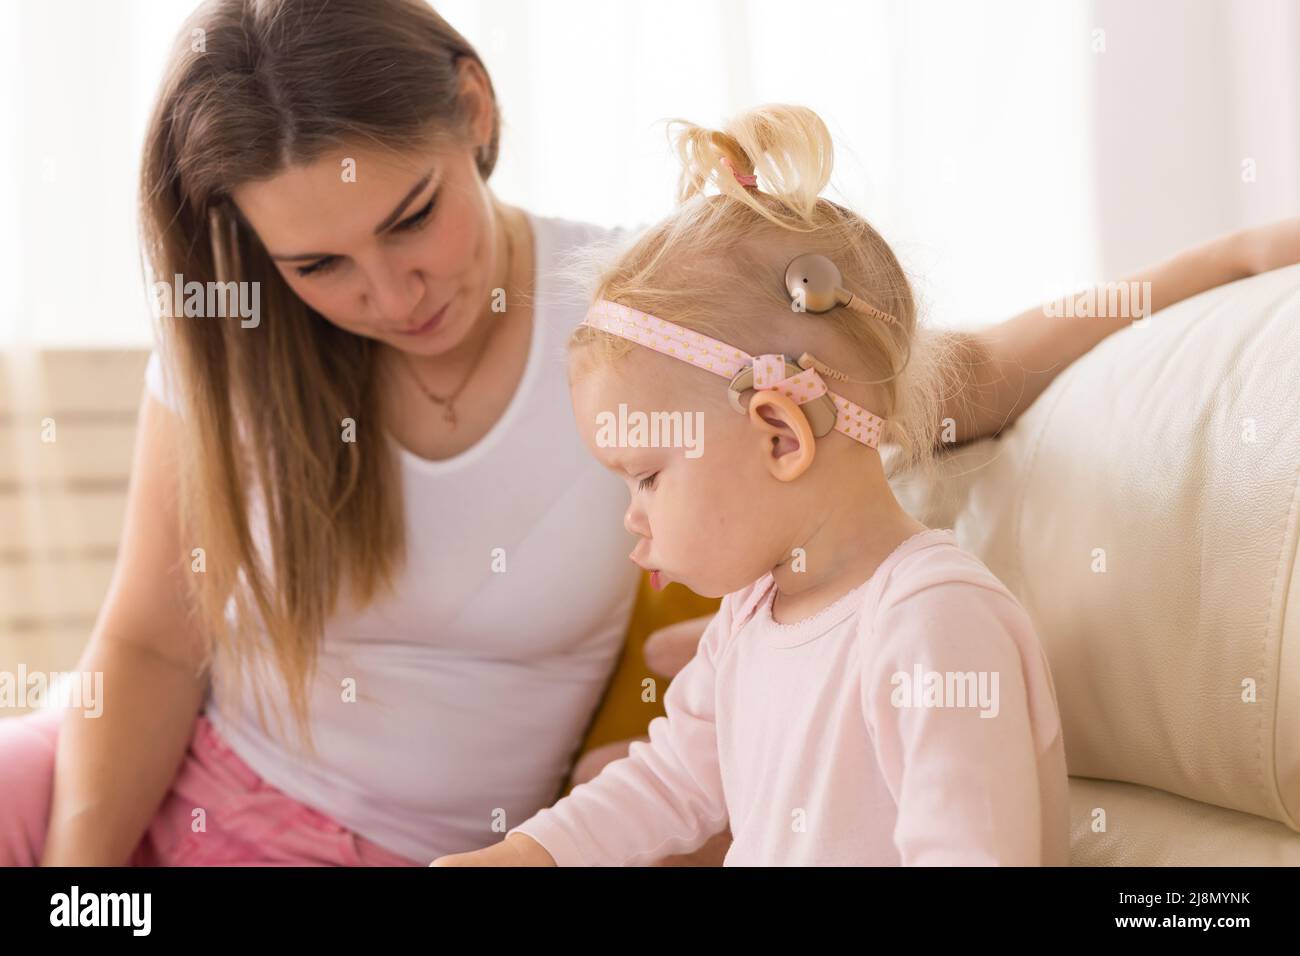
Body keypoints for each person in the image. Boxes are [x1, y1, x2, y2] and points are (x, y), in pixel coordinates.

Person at [2, 0, 1294, 867]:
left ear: (476, 111)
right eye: (320, 264)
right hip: (143, 782)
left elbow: (935, 370)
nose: (389, 298)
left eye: (411, 217)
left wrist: (1230, 258)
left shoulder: (645, 332)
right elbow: (149, 645)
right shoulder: (240, 345)